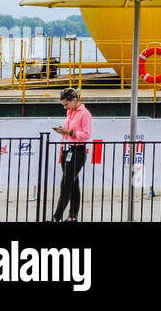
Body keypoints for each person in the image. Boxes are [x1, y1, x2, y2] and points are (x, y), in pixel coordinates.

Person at [52, 87, 92, 222]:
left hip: (77, 150)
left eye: (66, 104)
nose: (65, 107)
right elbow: (70, 131)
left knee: (66, 183)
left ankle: (57, 216)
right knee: (73, 183)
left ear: (74, 100)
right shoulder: (70, 112)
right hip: (67, 149)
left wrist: (69, 133)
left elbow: (86, 135)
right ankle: (72, 216)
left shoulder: (84, 114)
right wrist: (63, 131)